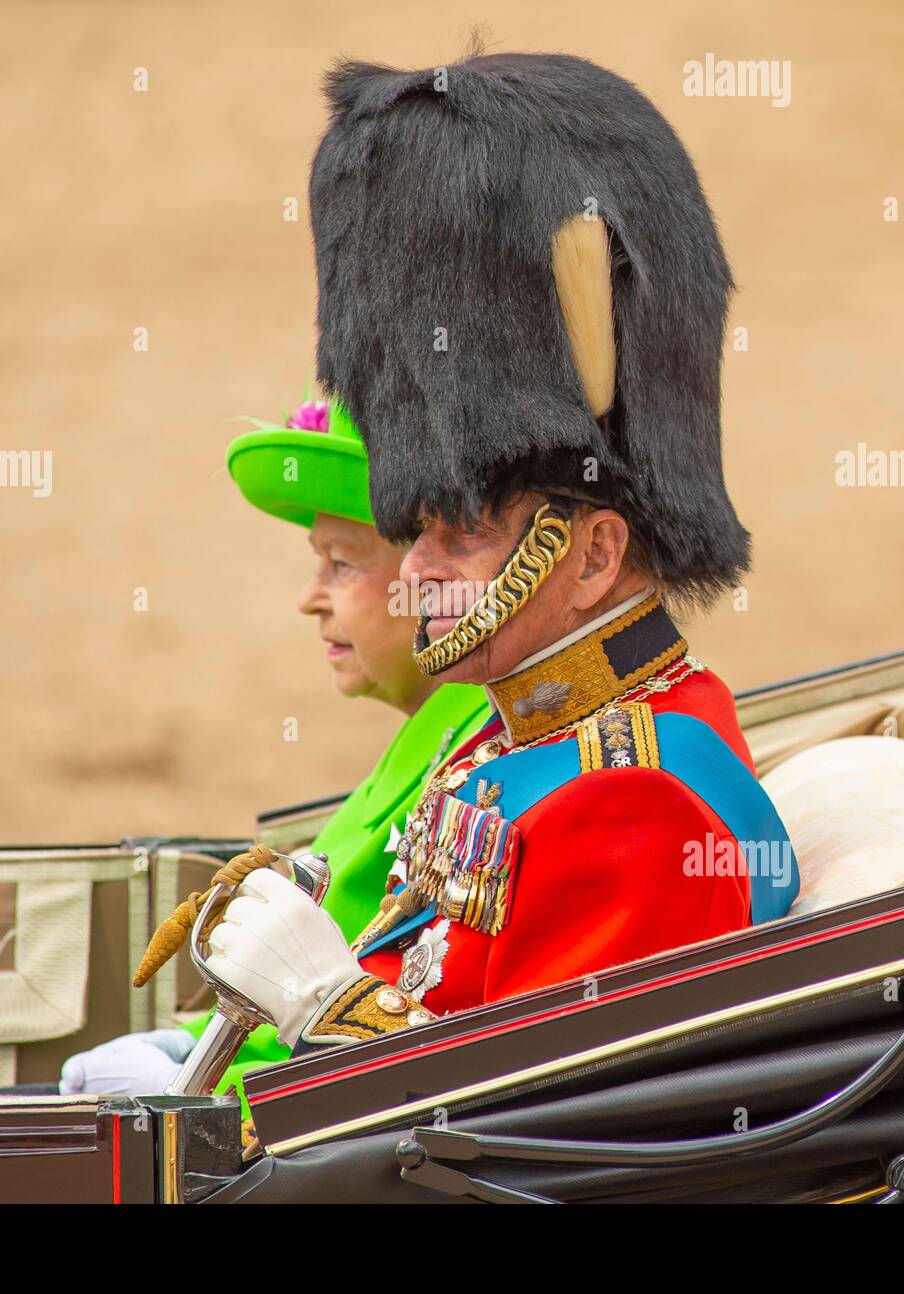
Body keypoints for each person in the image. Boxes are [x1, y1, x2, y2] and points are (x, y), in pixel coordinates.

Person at [187, 50, 798, 1056]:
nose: (415, 569)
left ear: (595, 554)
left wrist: (323, 1007)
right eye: (416, 527)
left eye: (460, 531)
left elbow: (535, 1131)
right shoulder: (505, 737)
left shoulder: (634, 800)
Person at [58, 397, 490, 1097]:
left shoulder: (477, 743)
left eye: (342, 563)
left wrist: (205, 1089)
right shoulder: (437, 730)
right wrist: (191, 1045)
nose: (309, 596)